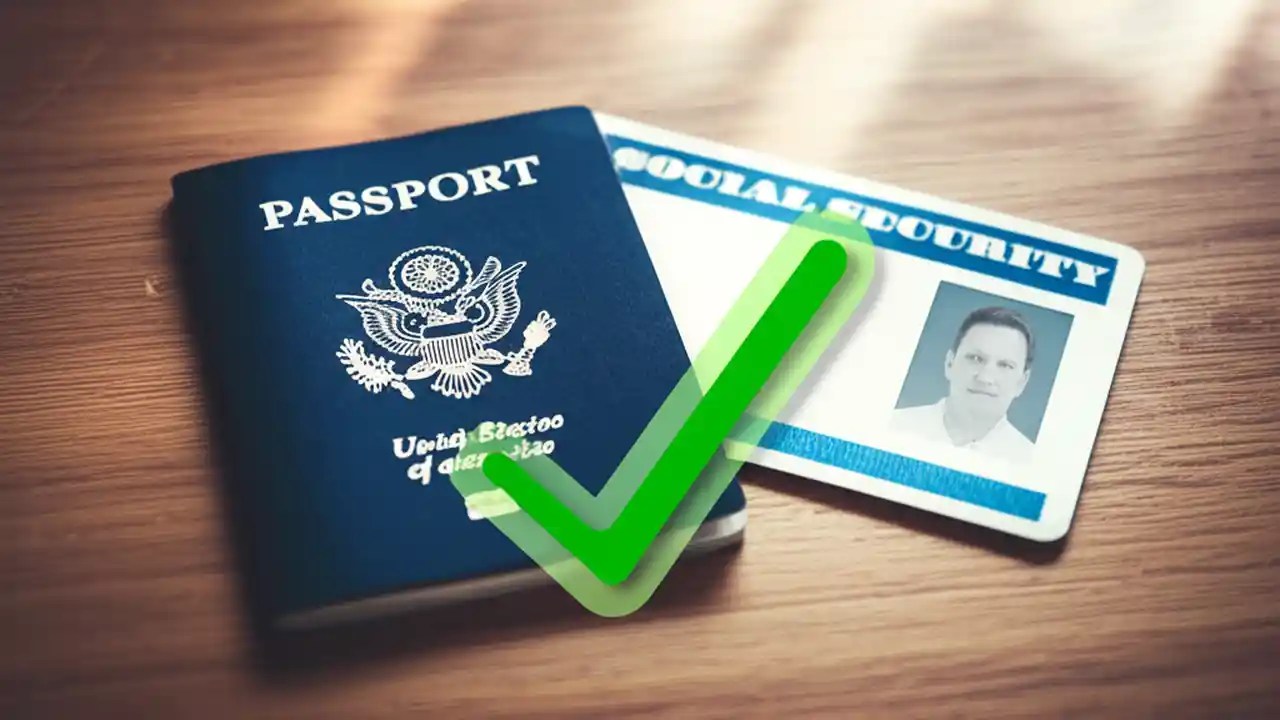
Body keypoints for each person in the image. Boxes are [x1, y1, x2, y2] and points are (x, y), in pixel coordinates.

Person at [891, 306, 1036, 463]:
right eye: (975, 358)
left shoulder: (1029, 461)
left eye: (1005, 365)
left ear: (1022, 382)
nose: (985, 378)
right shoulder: (894, 425)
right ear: (949, 363)